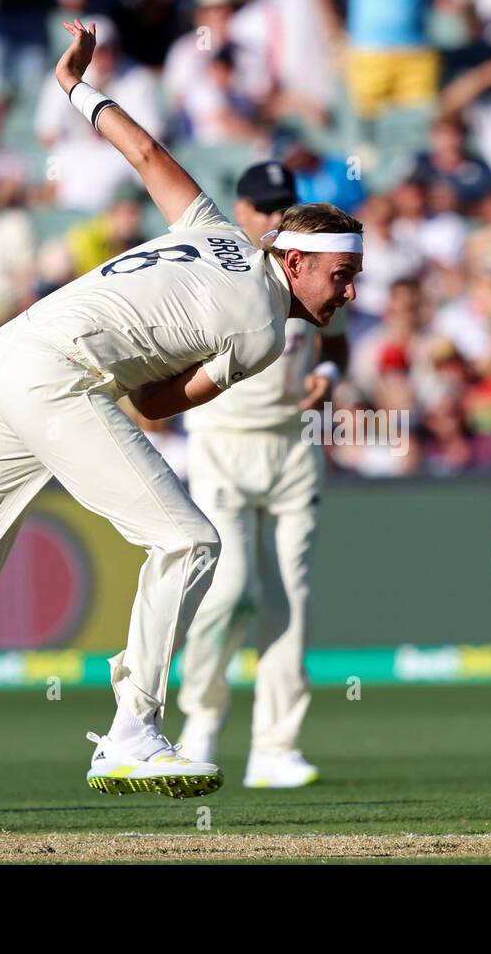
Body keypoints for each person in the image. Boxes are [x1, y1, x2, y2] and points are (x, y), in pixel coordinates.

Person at [0, 20, 362, 821]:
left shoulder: (217, 230)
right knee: (190, 540)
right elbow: (153, 405)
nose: (349, 293)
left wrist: (75, 84)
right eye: (341, 274)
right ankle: (132, 730)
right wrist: (191, 385)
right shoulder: (262, 331)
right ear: (294, 260)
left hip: (9, 353)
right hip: (58, 376)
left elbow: (146, 154)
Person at [174, 161, 347, 787]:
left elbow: (338, 338)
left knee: (289, 600)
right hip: (222, 442)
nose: (276, 219)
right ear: (239, 210)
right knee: (230, 587)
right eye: (264, 208)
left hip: (293, 447)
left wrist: (328, 377)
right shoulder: (215, 269)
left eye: (285, 206)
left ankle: (274, 747)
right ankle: (201, 718)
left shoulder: (311, 267)